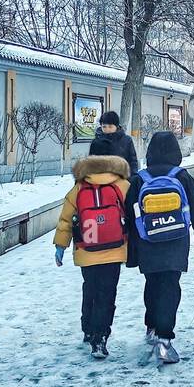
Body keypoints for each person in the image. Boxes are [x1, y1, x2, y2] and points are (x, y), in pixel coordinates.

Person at [124, 131, 194, 365]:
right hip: (175, 243)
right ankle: (164, 337)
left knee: (152, 283)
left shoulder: (139, 179)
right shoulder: (182, 176)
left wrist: (131, 253)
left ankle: (151, 327)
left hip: (148, 243)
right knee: (170, 286)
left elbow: (129, 216)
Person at [53, 142, 132, 360]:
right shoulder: (122, 184)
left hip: (86, 250)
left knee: (90, 288)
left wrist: (61, 245)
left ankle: (88, 328)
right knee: (107, 293)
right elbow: (133, 216)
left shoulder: (79, 187)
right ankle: (100, 337)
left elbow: (66, 219)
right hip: (115, 250)